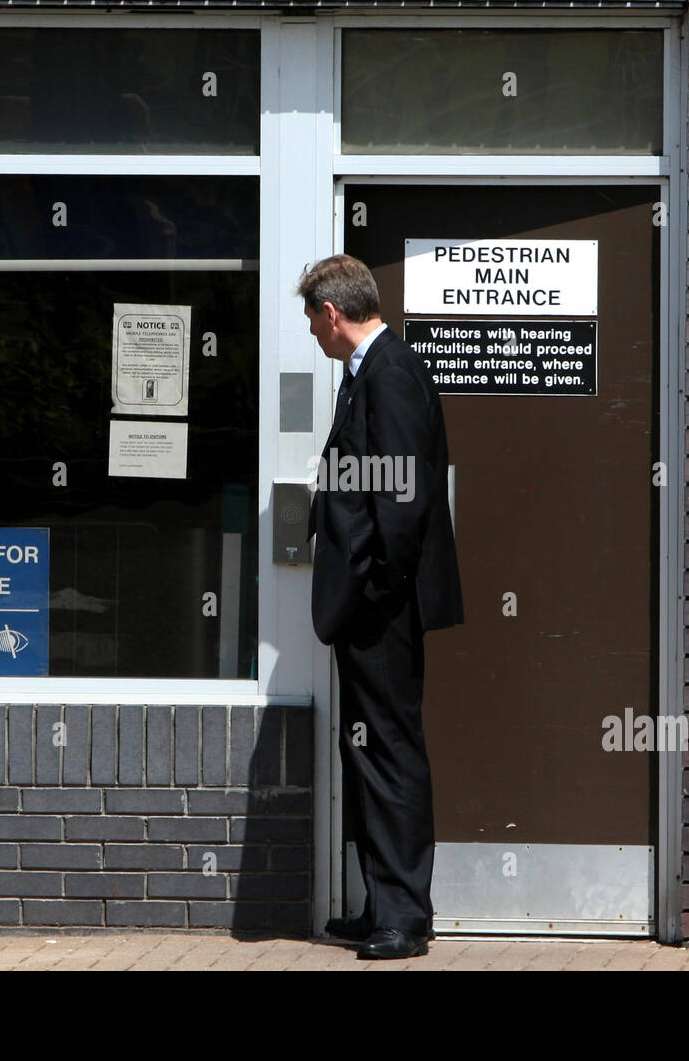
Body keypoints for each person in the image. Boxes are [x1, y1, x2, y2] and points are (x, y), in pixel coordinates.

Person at [299, 254, 464, 960]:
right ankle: (383, 905)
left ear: (333, 314)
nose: (312, 333)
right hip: (370, 602)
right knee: (369, 752)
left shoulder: (389, 373)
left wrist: (373, 589)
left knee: (390, 750)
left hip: (380, 607)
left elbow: (401, 500)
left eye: (312, 321)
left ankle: (404, 916)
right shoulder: (371, 371)